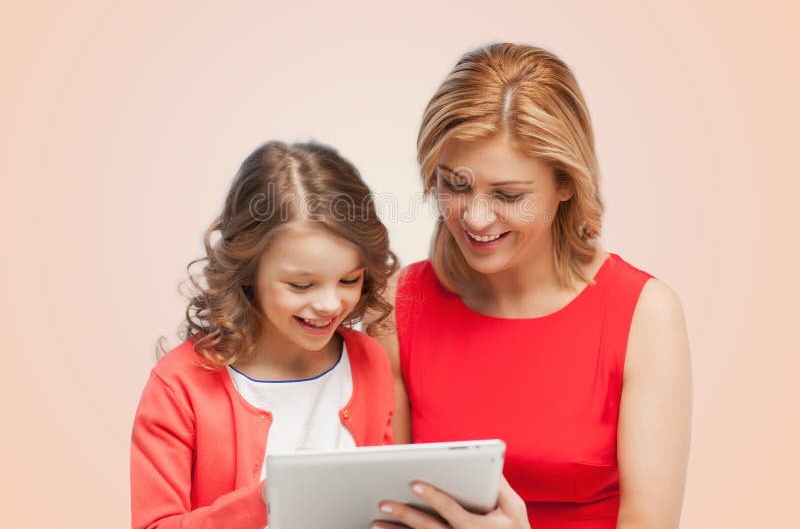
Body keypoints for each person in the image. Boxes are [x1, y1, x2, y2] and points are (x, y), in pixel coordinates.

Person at [370, 44, 692, 529]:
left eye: (508, 195)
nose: (475, 218)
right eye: (455, 185)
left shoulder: (644, 316)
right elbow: (384, 507)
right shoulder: (400, 306)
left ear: (566, 184)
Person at [130, 141, 397, 529]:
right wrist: (266, 502)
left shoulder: (368, 361)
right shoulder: (179, 387)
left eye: (348, 280)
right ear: (249, 272)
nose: (329, 304)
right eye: (301, 285)